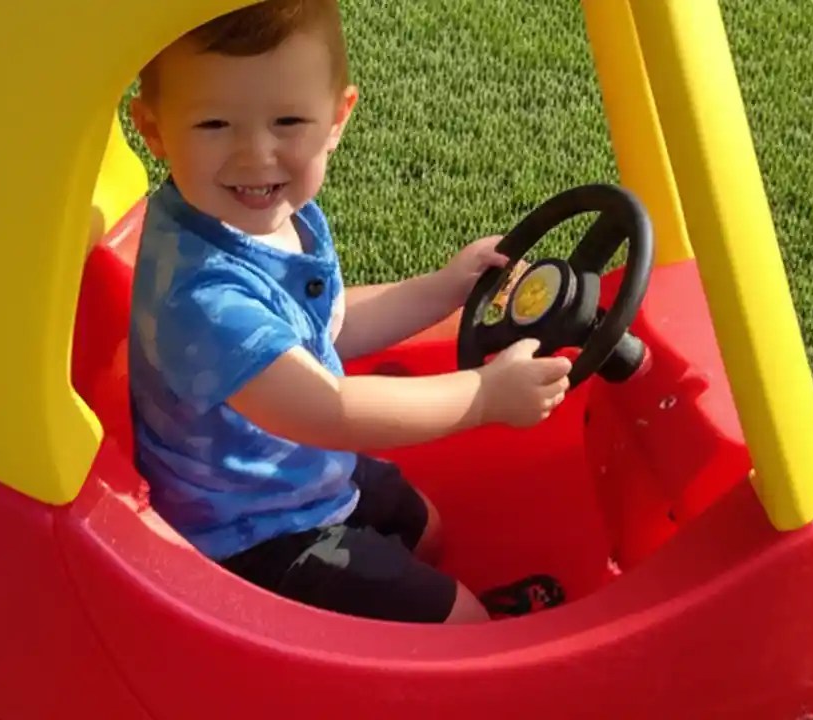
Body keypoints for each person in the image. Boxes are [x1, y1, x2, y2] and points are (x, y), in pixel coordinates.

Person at [126, 0, 571, 624]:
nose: (256, 155)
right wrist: (485, 396)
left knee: (428, 530)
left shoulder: (267, 217)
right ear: (153, 129)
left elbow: (331, 325)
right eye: (214, 126)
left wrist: (442, 286)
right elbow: (328, 410)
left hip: (302, 473)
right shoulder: (202, 299)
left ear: (337, 118)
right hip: (253, 535)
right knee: (461, 621)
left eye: (287, 121)